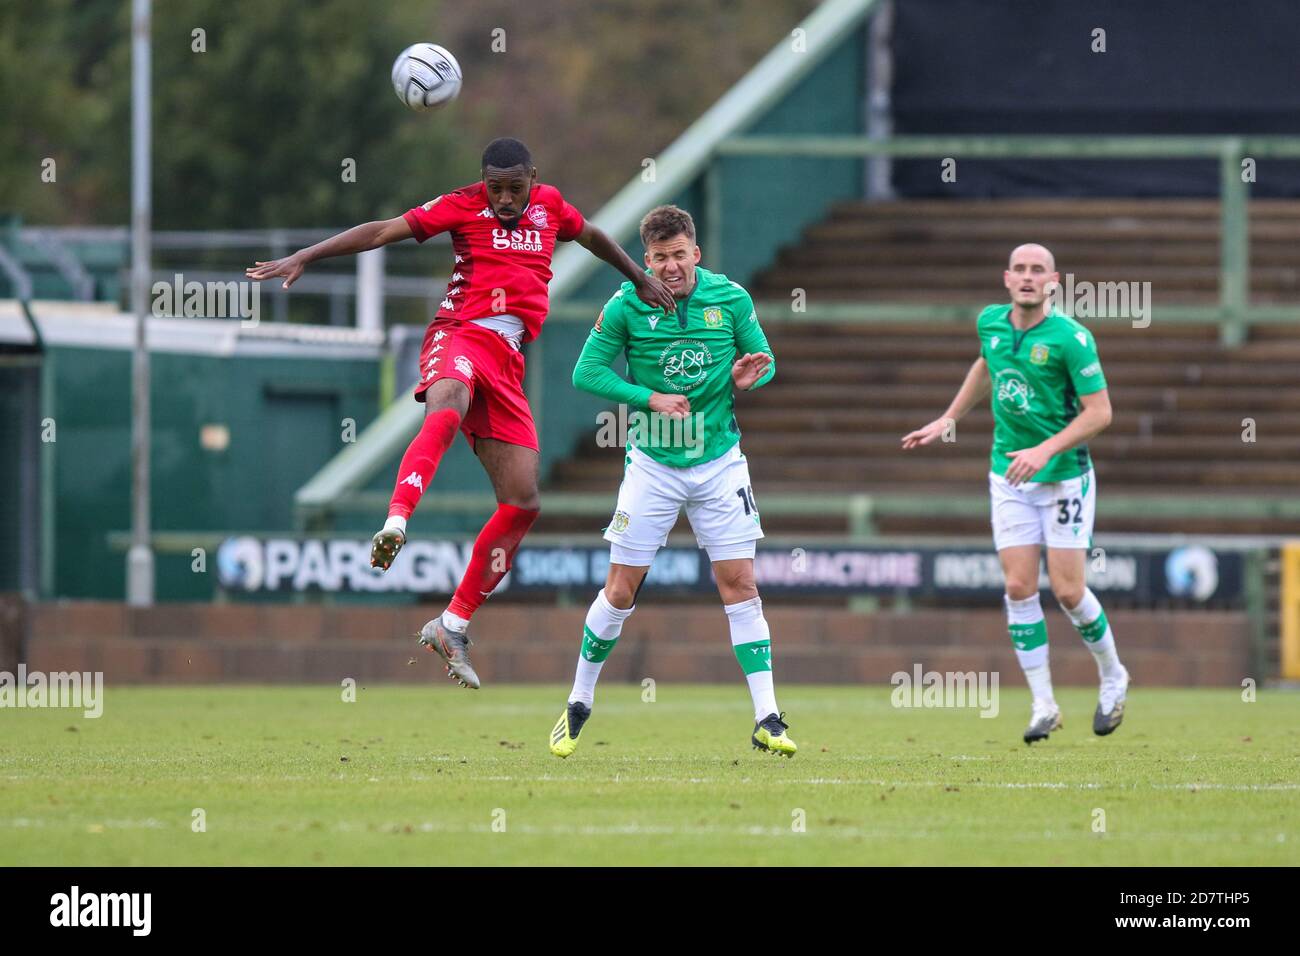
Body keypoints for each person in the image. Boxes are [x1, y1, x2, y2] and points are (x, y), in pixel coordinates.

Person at [246, 137, 675, 689]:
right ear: (482, 182)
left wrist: (636, 276)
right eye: (494, 188)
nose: (503, 199)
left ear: (532, 179)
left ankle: (451, 624)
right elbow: (381, 231)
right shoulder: (461, 204)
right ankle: (397, 519)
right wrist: (308, 253)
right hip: (460, 335)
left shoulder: (551, 206)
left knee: (522, 501)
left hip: (508, 361)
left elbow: (590, 236)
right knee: (447, 404)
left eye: (514, 188)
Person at [549, 204, 795, 758]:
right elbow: (584, 371)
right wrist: (648, 397)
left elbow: (766, 360)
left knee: (741, 585)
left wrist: (747, 374)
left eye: (679, 255)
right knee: (620, 588)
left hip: (720, 463)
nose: (670, 267)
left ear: (695, 253)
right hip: (654, 466)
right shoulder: (626, 303)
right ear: (647, 260)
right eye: (659, 258)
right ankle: (579, 701)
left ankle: (768, 717)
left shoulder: (730, 298)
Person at [902, 243, 1129, 743]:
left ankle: (1113, 676)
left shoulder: (1072, 338)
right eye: (1020, 269)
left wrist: (1045, 450)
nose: (1028, 277)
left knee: (1069, 591)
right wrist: (948, 418)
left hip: (1065, 473)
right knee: (1019, 587)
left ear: (1054, 281)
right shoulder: (991, 322)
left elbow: (1100, 413)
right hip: (1009, 476)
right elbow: (986, 364)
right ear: (1007, 278)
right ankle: (1043, 704)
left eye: (1038, 270)